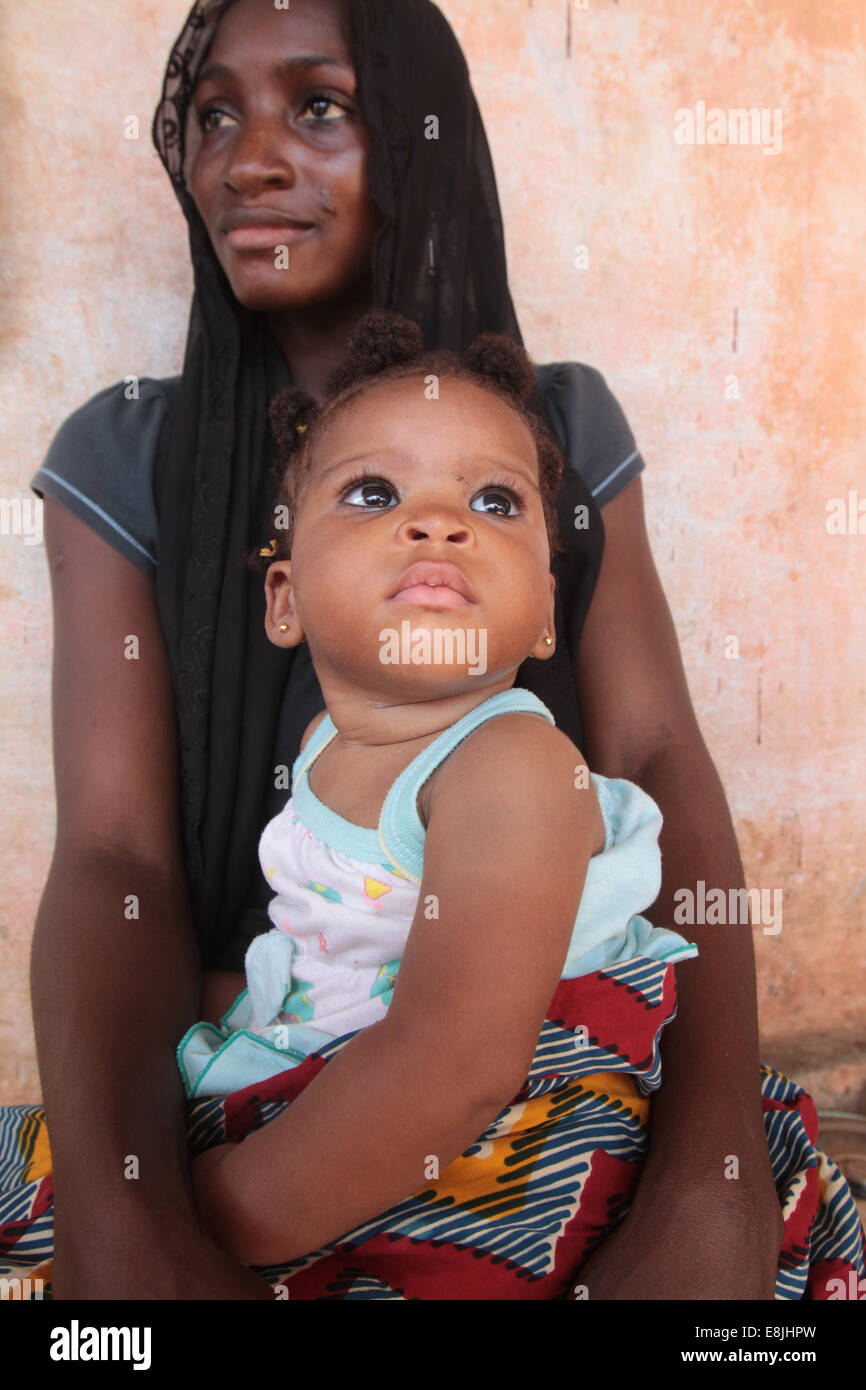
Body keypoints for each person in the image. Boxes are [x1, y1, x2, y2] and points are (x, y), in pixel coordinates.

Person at [6, 0, 796, 1298]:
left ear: (421, 138)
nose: (248, 159)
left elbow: (658, 758)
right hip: (260, 1067)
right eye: (214, 114)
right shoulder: (127, 455)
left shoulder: (557, 433)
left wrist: (712, 1169)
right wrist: (131, 1211)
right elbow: (115, 857)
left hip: (515, 1085)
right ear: (281, 586)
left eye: (318, 105)